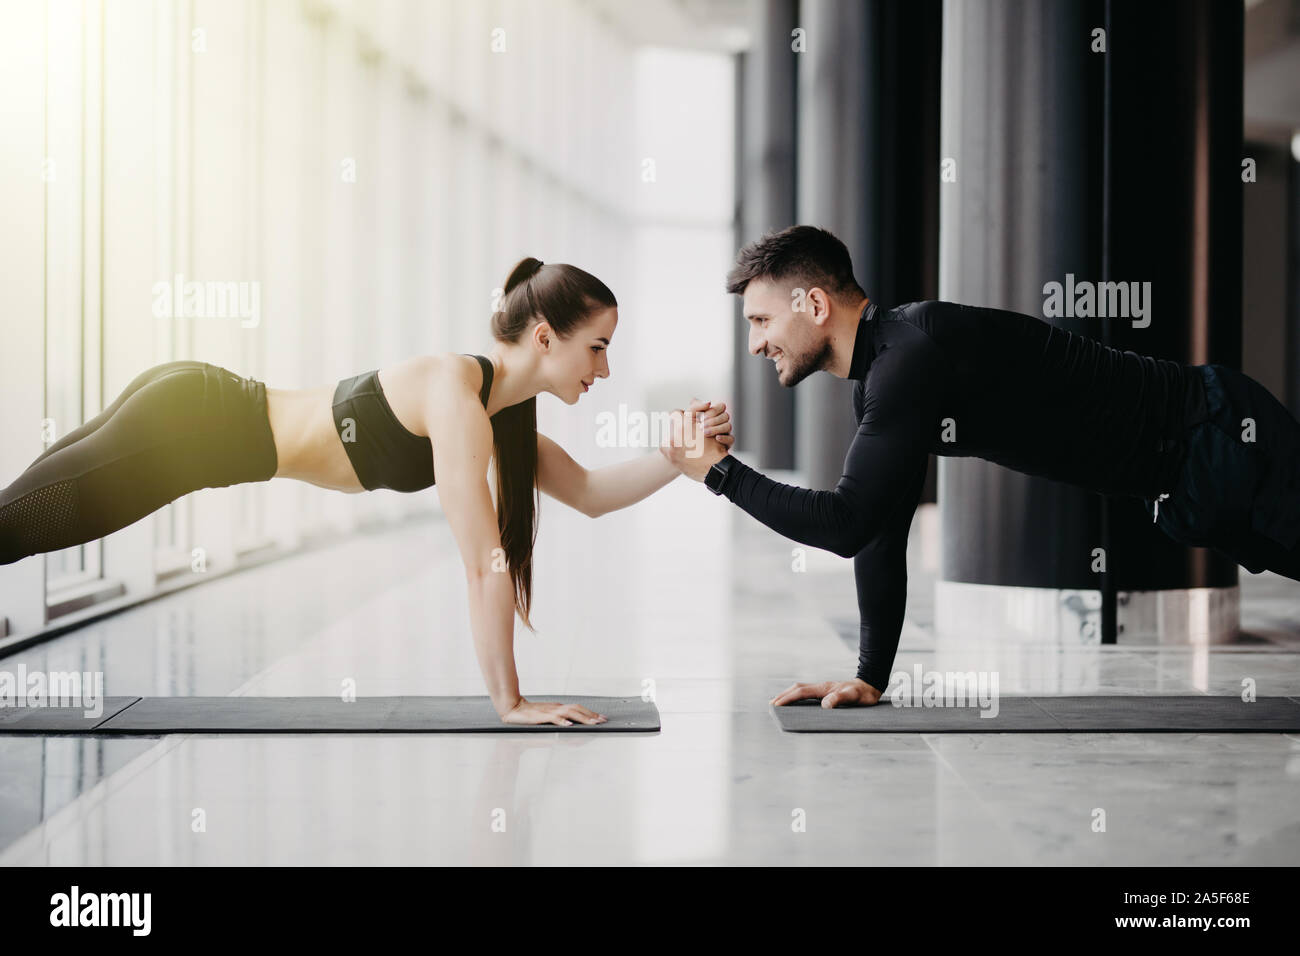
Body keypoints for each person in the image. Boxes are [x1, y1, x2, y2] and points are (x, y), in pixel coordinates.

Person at [0, 257, 734, 727]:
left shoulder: (494, 422)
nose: (602, 371)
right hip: (192, 422)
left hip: (195, 413)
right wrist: (510, 703)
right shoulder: (456, 396)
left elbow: (593, 492)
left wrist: (681, 457)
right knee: (14, 527)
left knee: (13, 522)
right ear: (545, 337)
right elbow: (485, 565)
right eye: (597, 347)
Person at [658, 225, 1300, 709]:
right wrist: (869, 676)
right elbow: (879, 528)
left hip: (1219, 437)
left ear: (816, 305)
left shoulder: (909, 356)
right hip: (1191, 479)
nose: (754, 342)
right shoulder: (885, 374)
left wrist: (720, 473)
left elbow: (845, 523)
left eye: (762, 319)